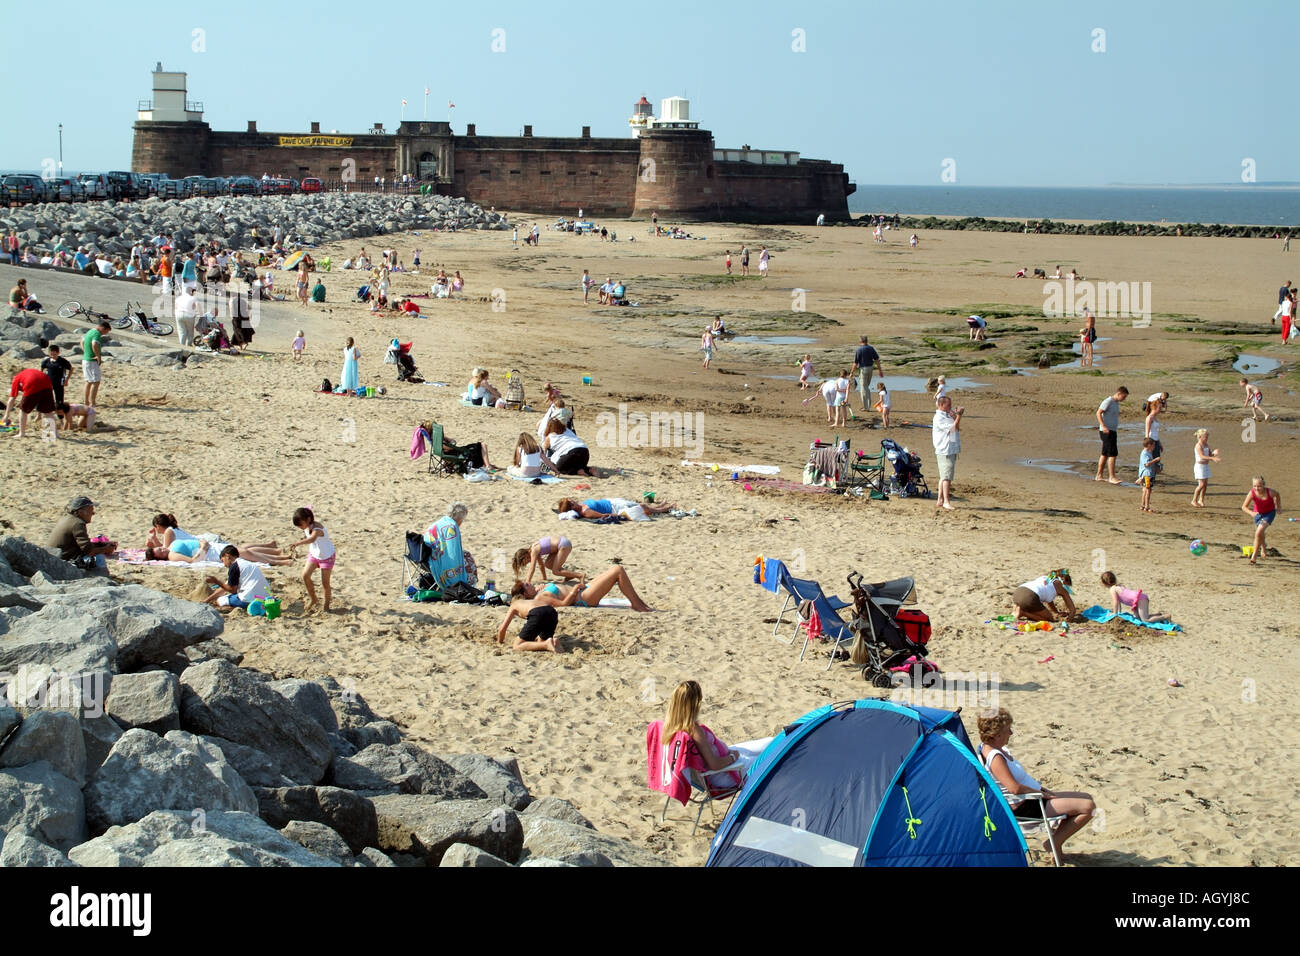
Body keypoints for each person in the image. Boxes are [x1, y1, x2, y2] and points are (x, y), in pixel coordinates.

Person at [976, 708, 1096, 858]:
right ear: (997, 734)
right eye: (1008, 730)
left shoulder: (988, 747)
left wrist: (1041, 790)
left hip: (1033, 798)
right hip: (1026, 806)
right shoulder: (995, 757)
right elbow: (1014, 788)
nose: (1011, 733)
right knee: (1088, 807)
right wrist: (1041, 793)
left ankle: (1055, 843)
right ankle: (1054, 844)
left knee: (1086, 797)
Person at [659, 680, 744, 791]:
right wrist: (733, 757)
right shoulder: (693, 730)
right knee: (766, 761)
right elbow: (714, 765)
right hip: (723, 772)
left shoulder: (672, 727)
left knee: (768, 743)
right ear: (694, 704)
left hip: (722, 761)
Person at [146, 513, 290, 565]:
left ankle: (279, 557)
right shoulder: (172, 555)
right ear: (159, 557)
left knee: (244, 551)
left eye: (159, 547)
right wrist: (203, 547)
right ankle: (279, 559)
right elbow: (193, 561)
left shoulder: (169, 540)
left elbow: (164, 545)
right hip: (210, 549)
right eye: (159, 550)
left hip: (209, 544)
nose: (161, 547)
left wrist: (153, 542)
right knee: (244, 551)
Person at [514, 564, 653, 612]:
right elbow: (563, 604)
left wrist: (545, 587)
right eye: (527, 585)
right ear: (526, 594)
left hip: (583, 590)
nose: (530, 583)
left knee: (615, 570)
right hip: (584, 597)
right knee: (618, 570)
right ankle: (636, 604)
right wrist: (574, 591)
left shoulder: (539, 592)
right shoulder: (541, 597)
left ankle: (640, 603)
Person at [286, 507, 335, 614]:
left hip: (327, 557)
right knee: (305, 575)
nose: (300, 527)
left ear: (308, 520)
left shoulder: (317, 529)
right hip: (314, 555)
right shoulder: (306, 525)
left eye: (300, 524)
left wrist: (298, 543)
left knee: (325, 583)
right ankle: (313, 598)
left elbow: (312, 539)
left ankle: (326, 606)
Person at [47, 496, 117, 570]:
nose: (93, 513)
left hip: (54, 557)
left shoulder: (68, 519)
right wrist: (106, 549)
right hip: (63, 561)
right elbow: (89, 551)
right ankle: (102, 577)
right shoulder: (78, 524)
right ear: (80, 512)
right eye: (91, 511)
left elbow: (83, 545)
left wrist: (101, 545)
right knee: (99, 557)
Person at [203, 546, 272, 611]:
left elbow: (232, 590)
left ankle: (239, 608)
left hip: (250, 599)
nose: (224, 564)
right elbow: (223, 588)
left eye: (223, 560)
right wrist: (207, 600)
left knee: (219, 601)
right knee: (230, 596)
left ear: (227, 556)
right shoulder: (247, 564)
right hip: (265, 598)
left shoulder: (234, 566)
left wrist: (216, 581)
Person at [496, 591, 562, 652]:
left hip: (537, 612)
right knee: (541, 641)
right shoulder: (531, 601)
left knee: (517, 645)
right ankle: (554, 641)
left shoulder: (514, 605)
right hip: (552, 611)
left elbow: (502, 628)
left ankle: (546, 644)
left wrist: (500, 641)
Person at [3, 367, 59, 440]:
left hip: (32, 383)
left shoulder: (16, 379)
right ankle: (55, 433)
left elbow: (12, 399)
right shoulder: (28, 372)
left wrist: (6, 415)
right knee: (48, 412)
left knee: (23, 411)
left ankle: (22, 433)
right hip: (47, 382)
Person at [1099, 571, 1170, 623]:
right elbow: (1119, 602)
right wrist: (1118, 613)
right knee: (1137, 618)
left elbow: (1116, 602)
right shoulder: (1119, 586)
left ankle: (1165, 617)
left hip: (1140, 600)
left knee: (1145, 620)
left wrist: (1114, 613)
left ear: (1106, 583)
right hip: (1137, 601)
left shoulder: (1112, 589)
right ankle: (1157, 614)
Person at [932, 394, 963, 510]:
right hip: (945, 450)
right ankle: (946, 501)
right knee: (946, 477)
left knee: (944, 476)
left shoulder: (947, 415)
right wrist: (959, 416)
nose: (950, 407)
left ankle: (940, 500)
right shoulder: (939, 417)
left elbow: (957, 427)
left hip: (950, 448)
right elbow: (952, 429)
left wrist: (956, 417)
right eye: (948, 405)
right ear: (941, 405)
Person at [1010, 569, 1076, 622]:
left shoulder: (1045, 578)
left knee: (1030, 605)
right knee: (1049, 619)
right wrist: (1070, 619)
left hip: (1018, 592)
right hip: (1030, 596)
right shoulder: (1061, 586)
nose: (1067, 589)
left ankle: (1017, 608)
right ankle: (1023, 613)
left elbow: (1049, 601)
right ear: (1064, 580)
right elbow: (1072, 609)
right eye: (1068, 587)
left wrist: (1056, 612)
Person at [1241, 476, 1281, 565]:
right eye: (1254, 486)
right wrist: (1251, 513)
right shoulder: (1251, 493)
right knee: (1260, 534)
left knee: (1258, 532)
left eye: (1259, 486)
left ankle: (1254, 556)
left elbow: (1277, 495)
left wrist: (1278, 507)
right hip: (1257, 514)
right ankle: (1263, 548)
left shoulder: (1270, 492)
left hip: (1269, 514)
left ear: (1263, 485)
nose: (1256, 488)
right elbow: (1244, 507)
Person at [1094, 386, 1129, 484]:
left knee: (1105, 454)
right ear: (1119, 393)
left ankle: (1099, 475)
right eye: (1124, 397)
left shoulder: (1116, 403)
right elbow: (1098, 413)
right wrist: (1104, 426)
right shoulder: (1108, 401)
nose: (1124, 399)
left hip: (1112, 431)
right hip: (1106, 431)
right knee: (1112, 454)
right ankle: (1112, 477)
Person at [512, 537, 580, 585]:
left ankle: (579, 575)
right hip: (561, 544)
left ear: (525, 556)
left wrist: (527, 582)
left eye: (527, 562)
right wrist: (544, 577)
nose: (529, 562)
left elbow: (532, 568)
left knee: (555, 571)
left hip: (563, 545)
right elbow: (541, 565)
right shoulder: (533, 548)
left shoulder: (533, 551)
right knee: (548, 564)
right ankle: (570, 575)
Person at [555, 497, 675, 519]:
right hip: (614, 508)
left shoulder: (581, 506)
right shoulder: (585, 512)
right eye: (571, 502)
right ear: (572, 507)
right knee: (641, 506)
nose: (573, 500)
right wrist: (616, 516)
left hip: (612, 501)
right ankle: (662, 510)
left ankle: (658, 507)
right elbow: (602, 516)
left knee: (636, 504)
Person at [81, 320, 110, 408]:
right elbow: (94, 344)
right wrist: (98, 356)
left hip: (85, 359)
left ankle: (86, 401)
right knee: (95, 382)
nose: (104, 334)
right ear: (102, 328)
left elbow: (82, 340)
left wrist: (85, 351)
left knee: (88, 381)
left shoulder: (90, 331)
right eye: (106, 331)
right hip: (91, 361)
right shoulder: (96, 333)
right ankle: (92, 402)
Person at [850, 334, 884, 412]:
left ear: (860, 341)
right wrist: (880, 370)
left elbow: (855, 363)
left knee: (863, 388)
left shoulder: (859, 350)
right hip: (870, 369)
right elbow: (877, 360)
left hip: (863, 369)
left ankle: (866, 407)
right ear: (866, 341)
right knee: (866, 386)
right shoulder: (871, 348)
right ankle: (866, 405)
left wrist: (851, 372)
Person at [1190, 429, 1220, 508]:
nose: (1207, 438)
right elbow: (1202, 456)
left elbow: (1210, 454)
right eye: (1205, 437)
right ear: (1200, 437)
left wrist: (1214, 453)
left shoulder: (1206, 445)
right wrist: (1212, 458)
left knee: (1205, 484)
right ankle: (1194, 500)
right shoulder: (1198, 446)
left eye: (1207, 436)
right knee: (1201, 484)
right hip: (1199, 466)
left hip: (1205, 466)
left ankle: (1201, 500)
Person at [1137, 437, 1160, 513]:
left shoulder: (1148, 453)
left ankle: (1142, 506)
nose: (1154, 447)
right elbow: (1147, 464)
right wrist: (1155, 460)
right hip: (1147, 474)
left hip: (1149, 473)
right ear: (1149, 445)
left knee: (1145, 490)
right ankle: (1147, 507)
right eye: (1153, 445)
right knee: (1148, 490)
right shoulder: (1145, 453)